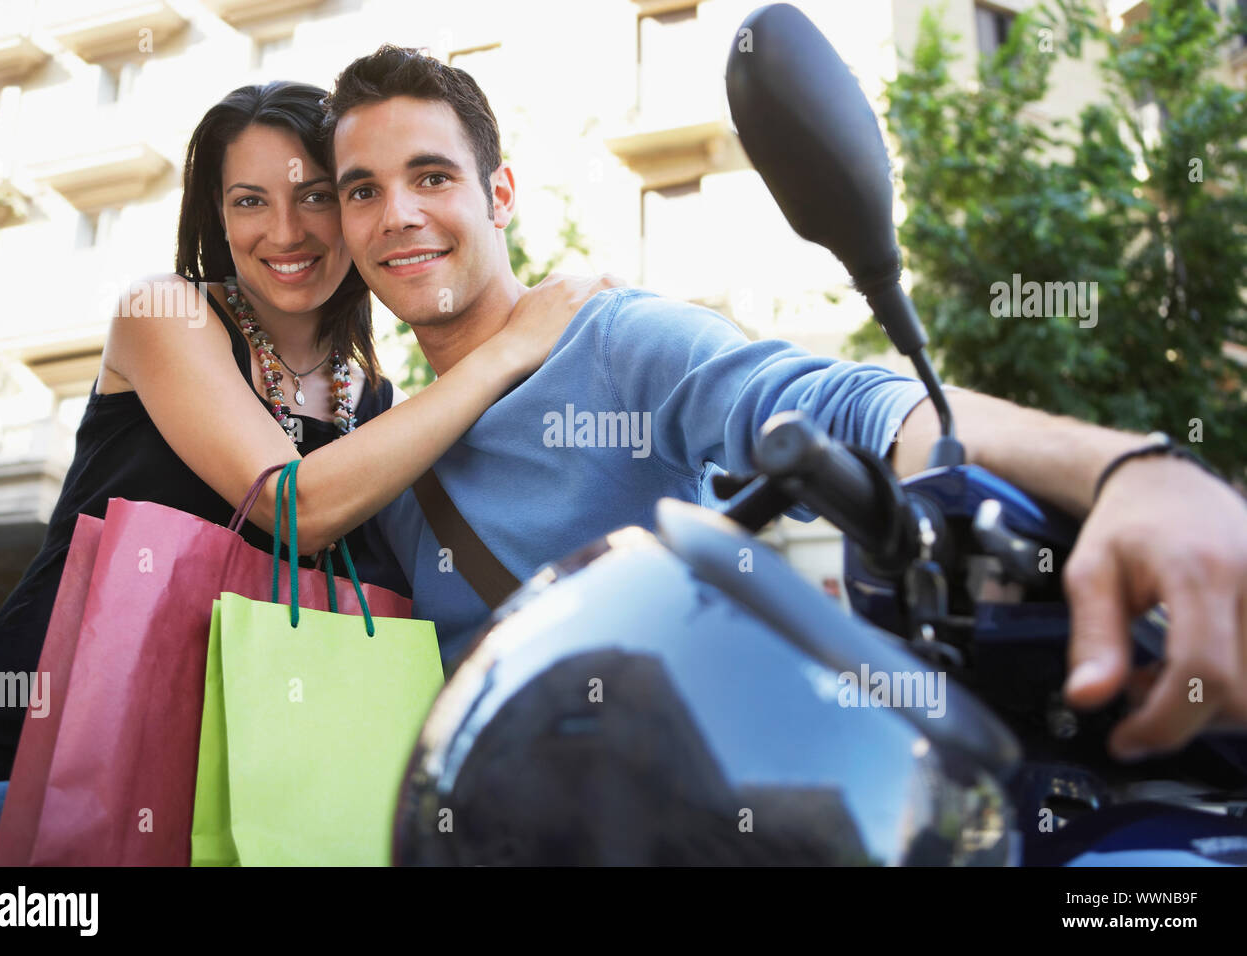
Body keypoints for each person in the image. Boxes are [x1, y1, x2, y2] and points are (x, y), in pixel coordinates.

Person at [323, 45, 1247, 766]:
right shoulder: (384, 460)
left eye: (432, 176)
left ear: (500, 194)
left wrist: (1133, 469)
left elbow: (829, 405)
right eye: (363, 190)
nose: (397, 213)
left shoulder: (616, 342)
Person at [0, 80, 615, 864]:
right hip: (38, 761)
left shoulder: (372, 398)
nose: (286, 232)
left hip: (222, 793)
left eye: (316, 197)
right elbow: (293, 506)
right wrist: (510, 349)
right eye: (249, 202)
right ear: (218, 219)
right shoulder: (165, 315)